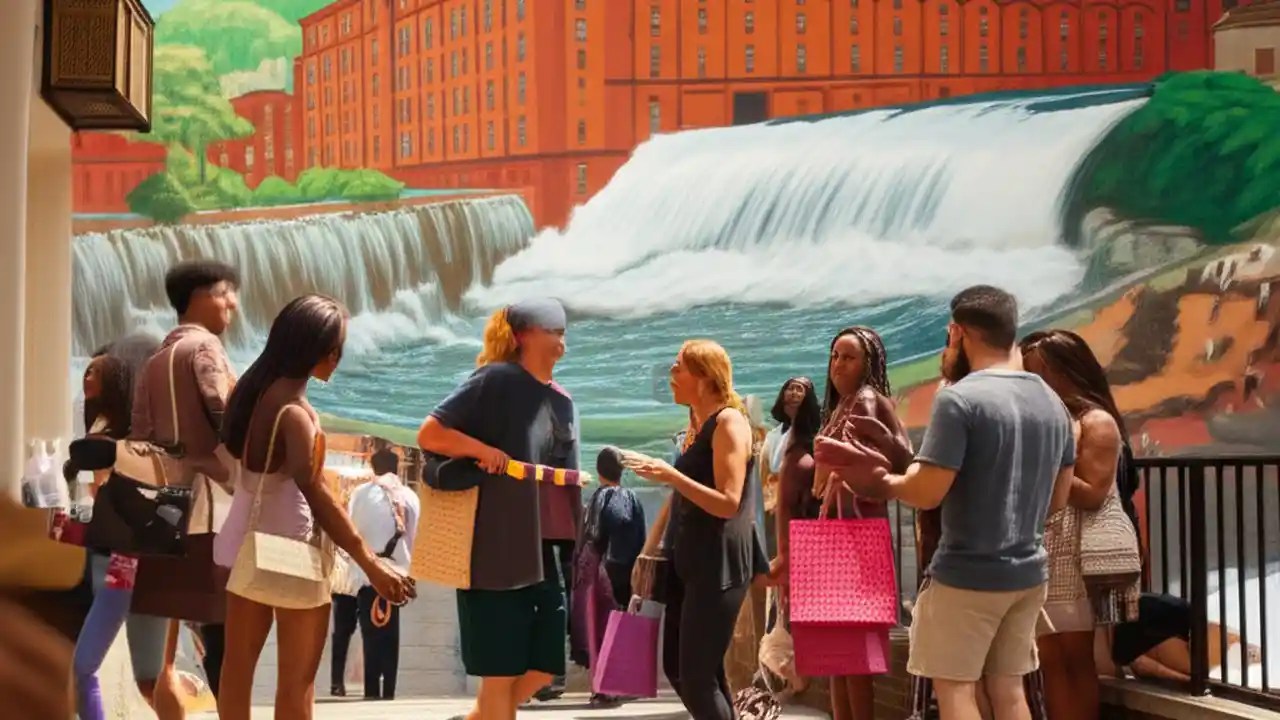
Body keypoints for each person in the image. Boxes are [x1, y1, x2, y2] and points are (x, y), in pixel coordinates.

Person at [820, 286, 1076, 720]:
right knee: (1010, 690)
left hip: (967, 575)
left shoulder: (960, 399)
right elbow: (1057, 500)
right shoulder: (1051, 402)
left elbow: (927, 491)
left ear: (959, 333)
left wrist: (880, 480)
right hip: (1029, 573)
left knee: (956, 693)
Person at [213, 295, 415, 720]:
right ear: (314, 350)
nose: (337, 357)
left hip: (243, 546)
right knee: (296, 686)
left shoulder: (251, 396)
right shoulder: (297, 415)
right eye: (334, 348)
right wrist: (371, 563)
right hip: (290, 552)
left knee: (236, 671)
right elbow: (317, 494)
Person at [417, 298, 579, 720]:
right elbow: (431, 433)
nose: (561, 333)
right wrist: (481, 449)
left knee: (544, 670)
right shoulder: (495, 380)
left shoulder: (563, 401)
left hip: (542, 552)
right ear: (524, 334)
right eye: (551, 327)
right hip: (493, 550)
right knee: (500, 678)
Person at [627, 339, 766, 720]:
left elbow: (728, 501)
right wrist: (651, 545)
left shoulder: (728, 422)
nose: (670, 375)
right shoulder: (697, 425)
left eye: (677, 367)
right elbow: (681, 498)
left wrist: (670, 473)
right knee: (681, 669)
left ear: (703, 377)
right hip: (688, 563)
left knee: (696, 677)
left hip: (717, 565)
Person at [129, 260, 240, 718]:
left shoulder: (155, 360)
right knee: (226, 638)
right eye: (223, 293)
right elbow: (229, 420)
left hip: (164, 513)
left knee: (164, 660)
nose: (231, 303)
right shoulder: (205, 351)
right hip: (211, 509)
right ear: (196, 297)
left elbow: (138, 438)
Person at [1020, 329, 1141, 720]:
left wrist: (1049, 458)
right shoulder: (1057, 420)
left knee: (1073, 655)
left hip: (1076, 551)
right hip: (1046, 546)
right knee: (1049, 657)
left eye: (1037, 372)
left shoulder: (1096, 420)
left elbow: (1092, 493)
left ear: (1062, 371)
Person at [72, 332, 160, 720]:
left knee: (89, 665)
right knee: (155, 676)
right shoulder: (156, 434)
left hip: (125, 562)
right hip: (155, 557)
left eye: (96, 370)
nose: (88, 377)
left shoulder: (110, 437)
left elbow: (98, 488)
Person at [348, 447, 420, 701]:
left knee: (370, 633)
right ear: (398, 468)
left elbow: (351, 531)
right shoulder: (410, 496)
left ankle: (371, 692)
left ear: (373, 467)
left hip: (370, 572)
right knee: (392, 634)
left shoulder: (360, 494)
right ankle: (388, 691)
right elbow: (415, 538)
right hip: (399, 572)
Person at [577, 446, 646, 708]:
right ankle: (616, 686)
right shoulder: (632, 497)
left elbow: (603, 528)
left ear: (598, 471)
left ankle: (604, 688)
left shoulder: (603, 496)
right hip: (626, 570)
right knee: (620, 628)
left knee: (602, 629)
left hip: (604, 571)